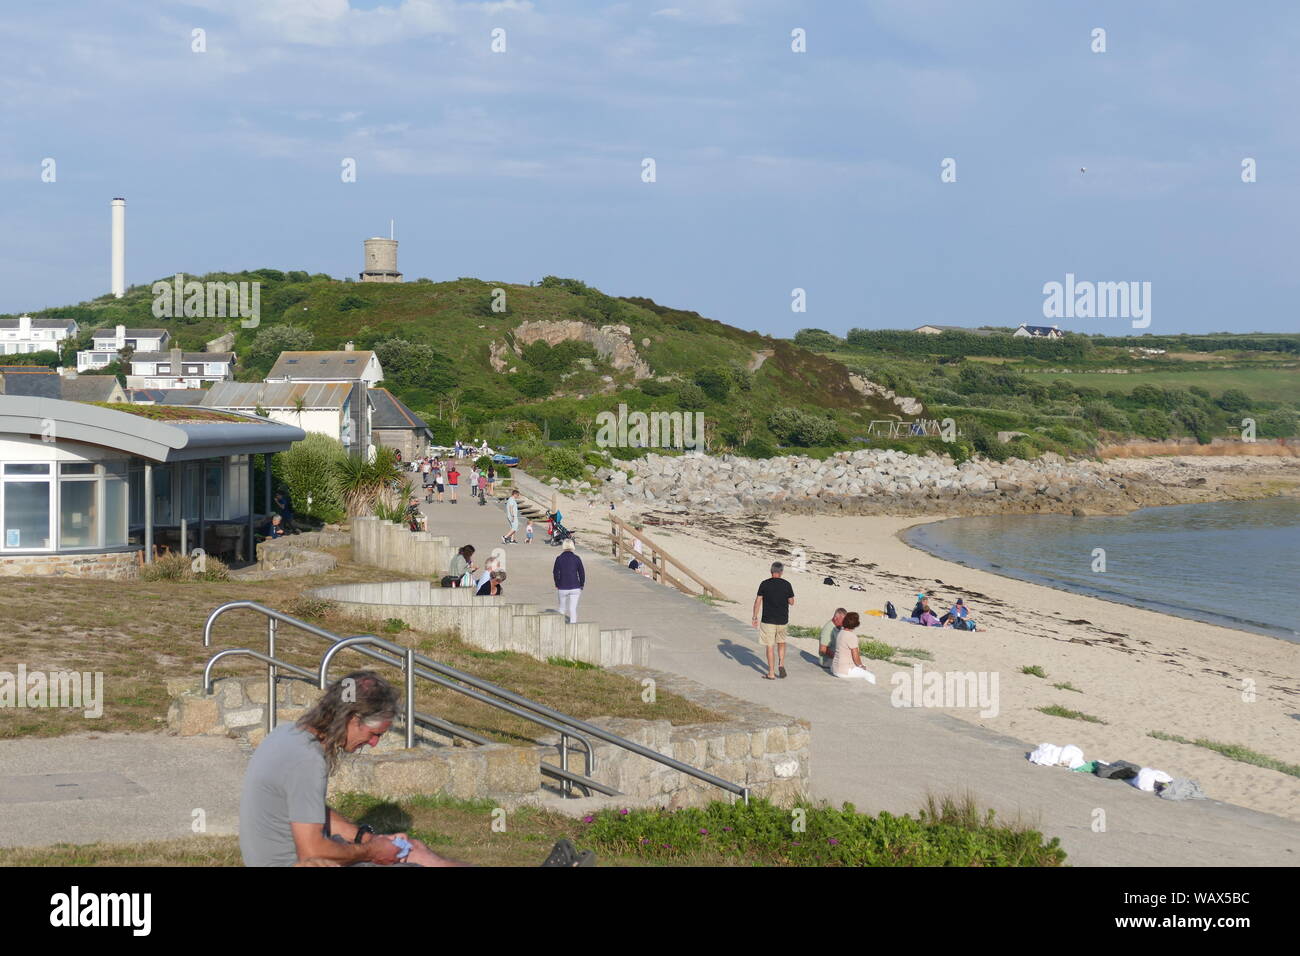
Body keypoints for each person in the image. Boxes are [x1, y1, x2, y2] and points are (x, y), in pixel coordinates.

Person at [239, 670, 467, 867]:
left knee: (411, 849)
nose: (374, 743)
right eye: (375, 734)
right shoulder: (307, 760)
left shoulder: (288, 733)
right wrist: (372, 851)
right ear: (352, 718)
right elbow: (312, 853)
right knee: (418, 857)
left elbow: (308, 809)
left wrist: (365, 838)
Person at [752, 562, 795, 680]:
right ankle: (781, 664)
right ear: (781, 572)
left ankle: (771, 673)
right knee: (781, 642)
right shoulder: (787, 584)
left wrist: (754, 617)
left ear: (771, 571)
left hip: (768, 620)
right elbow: (791, 602)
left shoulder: (764, 584)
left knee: (770, 646)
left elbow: (758, 601)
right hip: (782, 620)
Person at [830, 612, 876, 682]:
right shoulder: (851, 636)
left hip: (835, 667)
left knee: (863, 671)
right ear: (856, 624)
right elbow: (855, 656)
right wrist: (860, 666)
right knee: (870, 675)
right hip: (844, 670)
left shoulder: (841, 632)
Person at [553, 538, 585, 623]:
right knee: (573, 609)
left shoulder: (559, 558)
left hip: (563, 586)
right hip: (575, 586)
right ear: (572, 546)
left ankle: (560, 625)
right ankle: (573, 626)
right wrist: (581, 584)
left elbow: (555, 572)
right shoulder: (577, 558)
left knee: (562, 608)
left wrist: (557, 583)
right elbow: (581, 572)